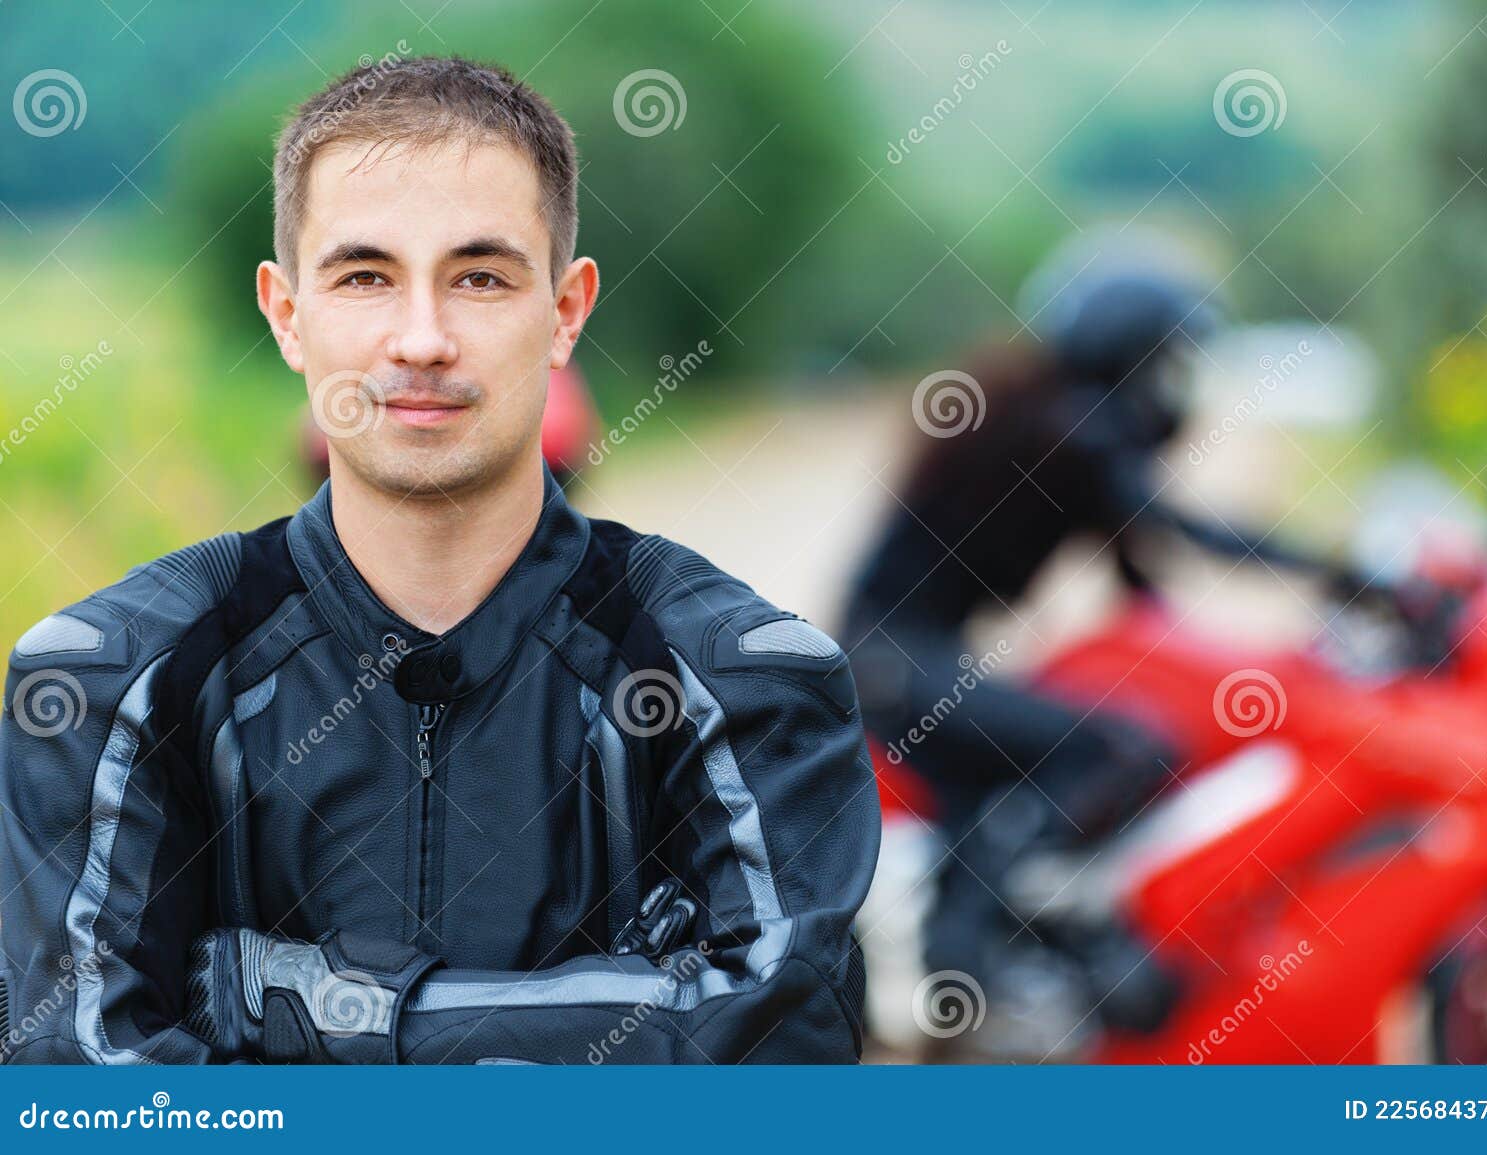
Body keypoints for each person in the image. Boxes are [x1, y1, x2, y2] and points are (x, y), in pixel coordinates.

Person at [0, 57, 877, 1065]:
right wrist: (641, 1013)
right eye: (365, 275)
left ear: (565, 311)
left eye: (481, 277)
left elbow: (789, 1044)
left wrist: (298, 1005)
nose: (421, 339)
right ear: (287, 313)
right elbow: (82, 1094)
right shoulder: (108, 677)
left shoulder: (745, 675)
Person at [842, 235, 1314, 996]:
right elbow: (1183, 529)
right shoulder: (1067, 427)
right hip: (894, 663)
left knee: (1105, 734)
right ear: (1128, 355)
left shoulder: (1057, 423)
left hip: (905, 657)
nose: (1174, 387)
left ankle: (1022, 942)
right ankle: (970, 933)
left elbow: (1144, 586)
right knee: (1125, 747)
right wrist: (1340, 571)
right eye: (1168, 361)